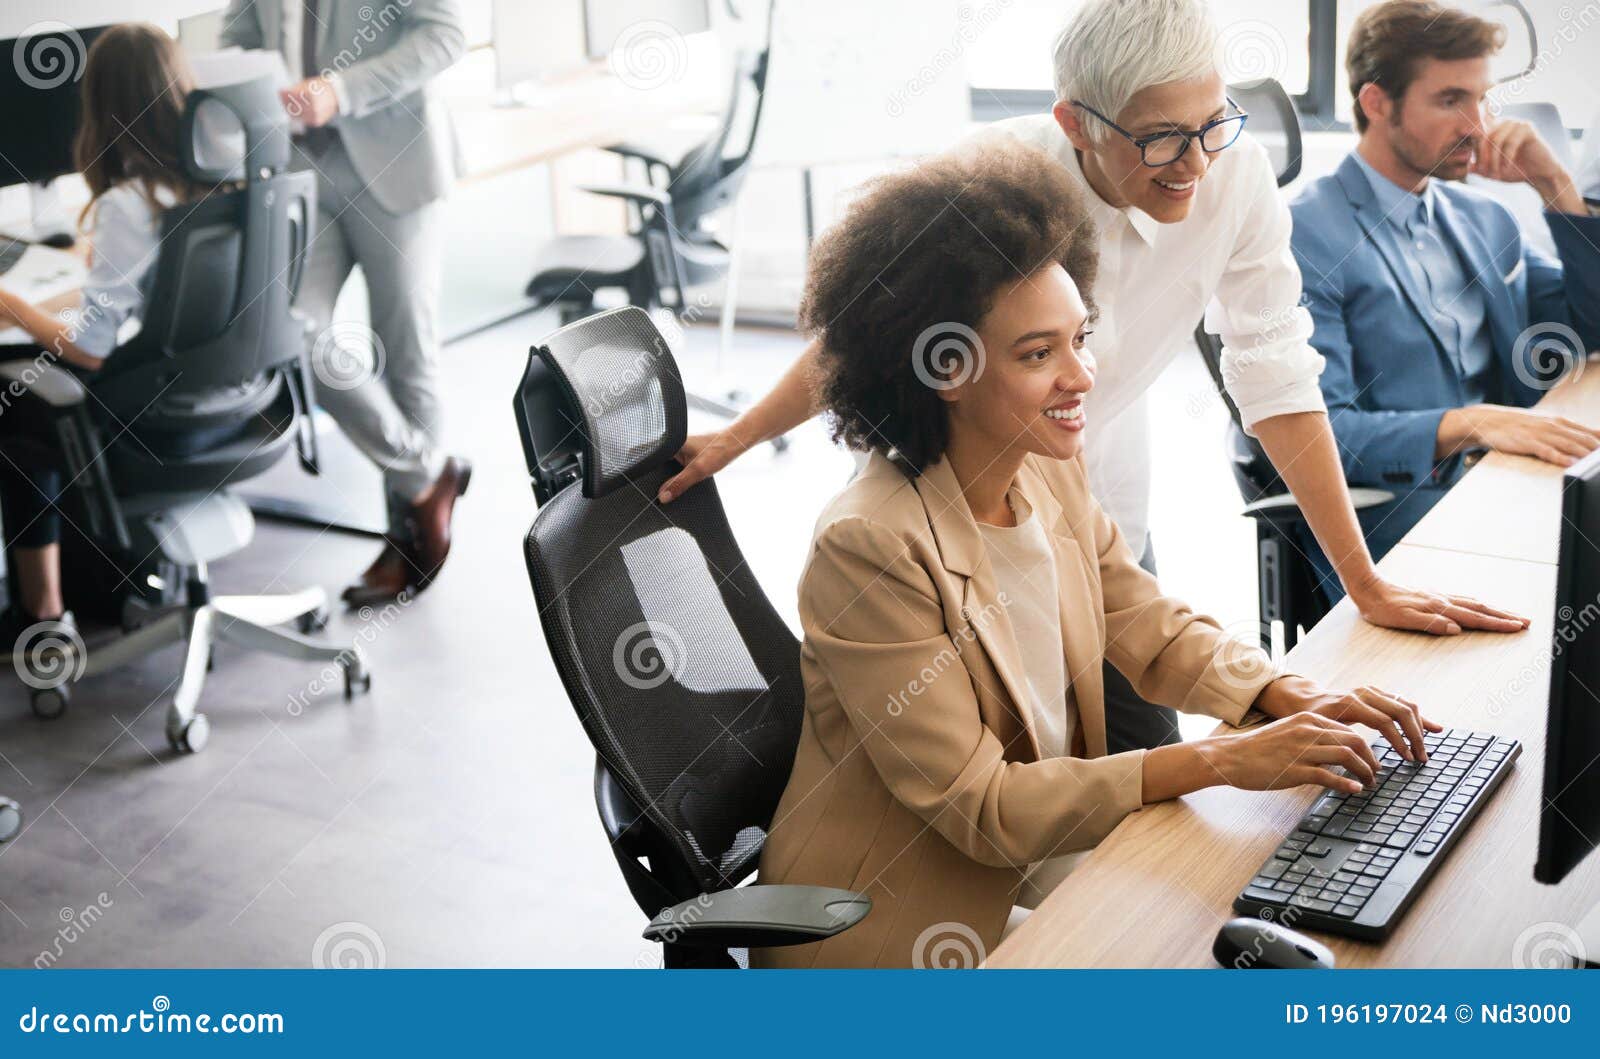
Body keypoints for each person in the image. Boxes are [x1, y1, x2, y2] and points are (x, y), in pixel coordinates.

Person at [656, 0, 1526, 759]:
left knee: (1140, 743)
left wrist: (1363, 582)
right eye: (1159, 138)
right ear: (1078, 123)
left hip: (1101, 495)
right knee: (994, 760)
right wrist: (739, 435)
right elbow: (865, 338)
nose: (1193, 163)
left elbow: (1276, 373)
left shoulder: (1235, 175)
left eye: (1210, 124)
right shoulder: (993, 178)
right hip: (962, 502)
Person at [752, 140, 1441, 969]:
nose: (1084, 376)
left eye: (1081, 337)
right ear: (945, 370)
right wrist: (1220, 757)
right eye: (1038, 354)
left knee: (1296, 910)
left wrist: (1278, 692)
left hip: (1040, 856)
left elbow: (1140, 617)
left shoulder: (1048, 467)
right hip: (908, 915)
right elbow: (981, 807)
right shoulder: (868, 547)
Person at [1290, 0, 1600, 600]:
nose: (1477, 125)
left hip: (1513, 488)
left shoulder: (1482, 217)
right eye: (1451, 99)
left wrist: (1554, 185)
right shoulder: (1307, 234)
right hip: (1403, 523)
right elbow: (1318, 436)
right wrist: (1470, 424)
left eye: (1481, 99)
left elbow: (1588, 326)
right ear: (1377, 103)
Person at [220, 0, 471, 607]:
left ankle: (407, 537)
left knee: (404, 346)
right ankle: (425, 477)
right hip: (300, 166)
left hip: (397, 161)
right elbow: (241, 37)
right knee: (289, 329)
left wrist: (342, 88)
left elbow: (445, 34)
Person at [0, 24, 224, 644]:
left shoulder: (129, 203)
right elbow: (141, 298)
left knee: (19, 413)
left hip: (154, 426)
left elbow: (91, 351)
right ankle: (99, 580)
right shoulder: (215, 181)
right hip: (230, 405)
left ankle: (41, 616)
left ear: (104, 105)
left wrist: (14, 306)